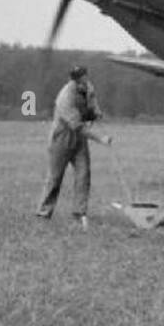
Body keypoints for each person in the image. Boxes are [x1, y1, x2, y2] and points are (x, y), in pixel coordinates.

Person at [36, 65, 110, 226]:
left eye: (85, 75)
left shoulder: (88, 87)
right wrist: (101, 139)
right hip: (62, 138)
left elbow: (92, 102)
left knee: (84, 175)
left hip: (80, 141)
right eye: (80, 77)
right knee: (55, 178)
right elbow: (77, 126)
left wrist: (96, 112)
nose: (84, 79)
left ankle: (79, 213)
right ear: (73, 79)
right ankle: (43, 213)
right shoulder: (65, 97)